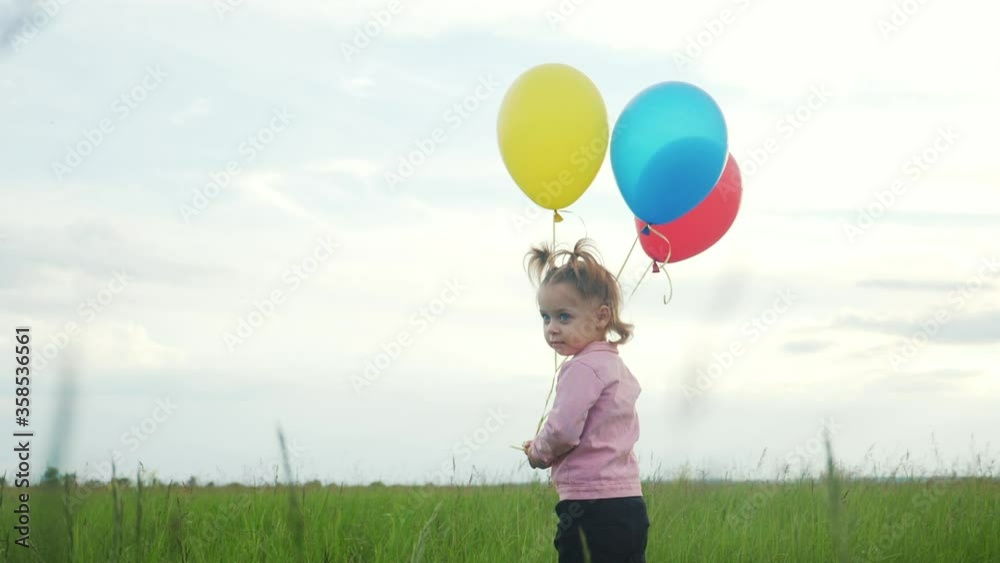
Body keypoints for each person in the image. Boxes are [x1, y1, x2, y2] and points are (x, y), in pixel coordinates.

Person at [521, 238, 649, 563]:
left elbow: (563, 430)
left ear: (602, 316)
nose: (552, 329)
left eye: (564, 317)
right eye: (545, 318)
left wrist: (538, 452)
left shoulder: (582, 368)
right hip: (628, 501)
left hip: (590, 504)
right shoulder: (615, 366)